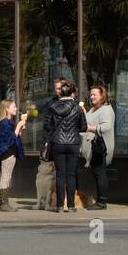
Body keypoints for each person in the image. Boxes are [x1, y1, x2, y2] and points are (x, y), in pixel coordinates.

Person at [43, 79, 87, 212]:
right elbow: (83, 127)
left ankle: (60, 206)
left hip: (57, 143)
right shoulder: (78, 108)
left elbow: (46, 126)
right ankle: (72, 206)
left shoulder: (52, 108)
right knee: (71, 174)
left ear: (60, 94)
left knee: (60, 175)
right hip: (73, 143)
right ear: (72, 93)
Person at [0, 99, 28, 212]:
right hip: (7, 153)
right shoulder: (4, 122)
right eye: (13, 106)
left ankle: (5, 204)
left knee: (7, 177)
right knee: (5, 177)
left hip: (11, 152)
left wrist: (19, 130)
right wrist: (18, 126)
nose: (16, 108)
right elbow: (8, 140)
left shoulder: (9, 121)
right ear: (7, 109)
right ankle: (3, 204)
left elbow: (14, 137)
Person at [83, 85, 115, 210]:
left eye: (95, 94)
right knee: (97, 174)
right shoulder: (93, 109)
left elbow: (106, 126)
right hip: (93, 147)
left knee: (100, 174)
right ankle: (100, 201)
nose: (92, 97)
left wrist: (90, 128)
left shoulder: (106, 110)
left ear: (102, 95)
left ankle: (102, 203)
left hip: (100, 147)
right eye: (91, 95)